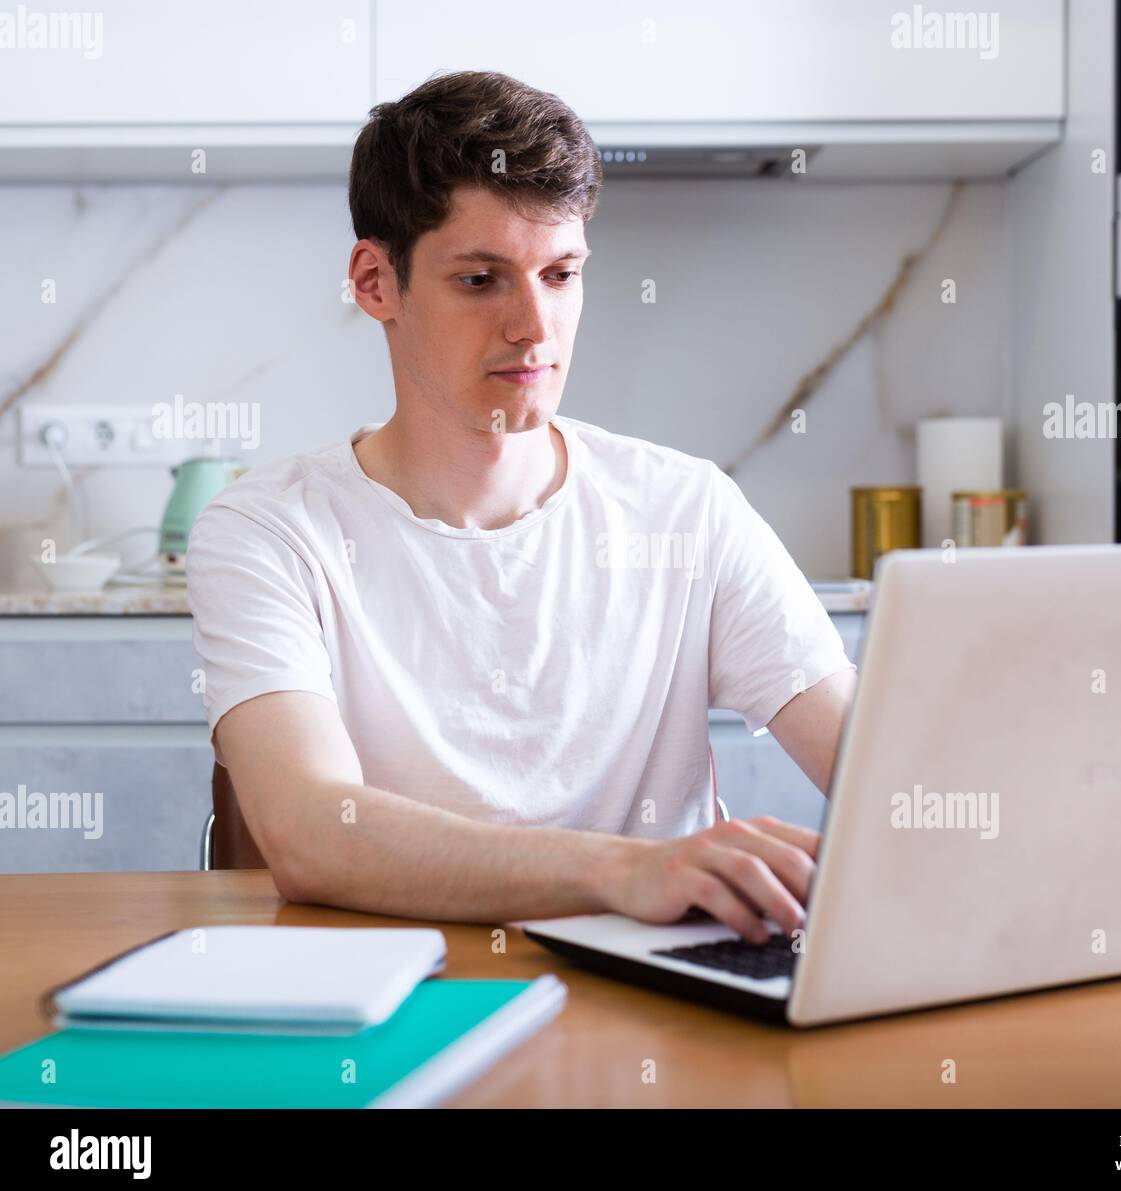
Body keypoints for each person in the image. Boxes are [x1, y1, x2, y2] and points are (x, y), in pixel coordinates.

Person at [187, 70, 857, 946]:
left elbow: (877, 771)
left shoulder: (685, 511)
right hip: (396, 1004)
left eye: (561, 273)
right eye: (481, 279)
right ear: (375, 282)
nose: (535, 326)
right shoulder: (268, 531)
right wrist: (626, 870)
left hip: (656, 1009)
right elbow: (316, 833)